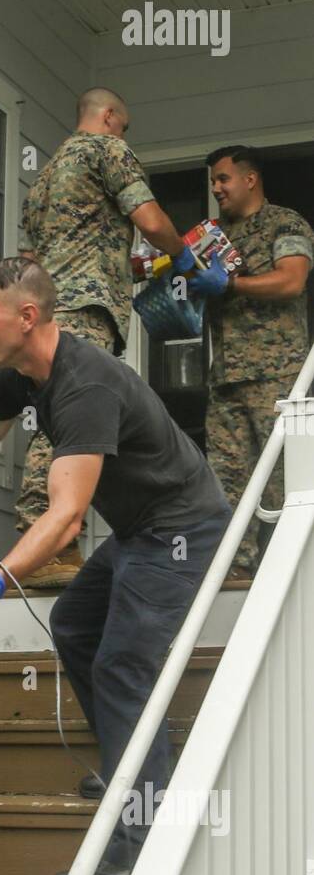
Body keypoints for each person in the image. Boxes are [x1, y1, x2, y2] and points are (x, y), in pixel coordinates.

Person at [0, 259, 231, 875]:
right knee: (74, 624)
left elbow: (67, 516)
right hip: (138, 529)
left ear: (27, 317)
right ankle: (134, 767)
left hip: (182, 527)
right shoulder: (16, 374)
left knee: (124, 666)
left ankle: (139, 838)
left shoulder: (84, 386)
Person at [16, 87, 194, 586]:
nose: (124, 134)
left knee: (55, 418)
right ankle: (45, 542)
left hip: (50, 312)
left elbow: (38, 258)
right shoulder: (107, 150)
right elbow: (150, 220)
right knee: (71, 422)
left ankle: (50, 541)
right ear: (109, 116)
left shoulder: (45, 178)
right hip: (86, 312)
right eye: (125, 124)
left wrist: (129, 264)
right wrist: (181, 254)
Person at [193, 146, 314, 576]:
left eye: (223, 179)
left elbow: (292, 280)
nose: (216, 188)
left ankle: (288, 571)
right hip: (225, 375)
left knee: (282, 477)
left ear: (250, 179)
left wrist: (231, 285)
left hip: (276, 374)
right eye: (213, 181)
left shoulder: (285, 222)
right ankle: (234, 569)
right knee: (225, 479)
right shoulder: (212, 237)